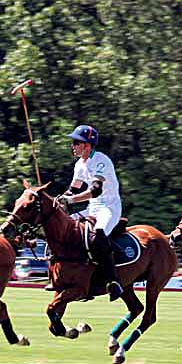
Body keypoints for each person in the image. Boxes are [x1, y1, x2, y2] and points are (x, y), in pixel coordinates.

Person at [56, 124, 123, 302]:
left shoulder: (101, 160)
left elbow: (95, 190)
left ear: (87, 145)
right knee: (62, 227)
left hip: (109, 208)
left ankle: (113, 281)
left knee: (98, 235)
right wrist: (57, 200)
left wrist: (70, 201)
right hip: (91, 209)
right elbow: (72, 190)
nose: (73, 146)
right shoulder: (79, 165)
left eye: (76, 142)